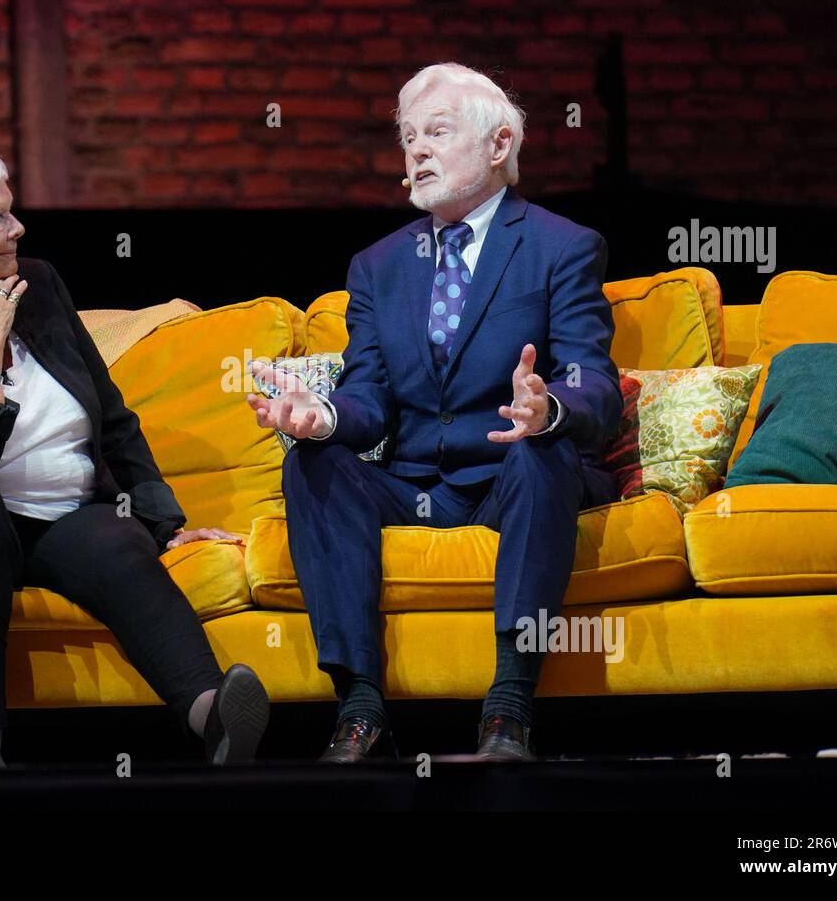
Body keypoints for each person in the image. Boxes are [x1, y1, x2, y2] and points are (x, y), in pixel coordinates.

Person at [0, 135, 269, 771]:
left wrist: (163, 524)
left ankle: (211, 714)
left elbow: (111, 415)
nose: (19, 227)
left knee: (114, 536)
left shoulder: (37, 284)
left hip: (53, 521)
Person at [247, 63, 622, 762]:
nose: (416, 150)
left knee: (543, 452)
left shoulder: (560, 248)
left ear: (499, 145)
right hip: (420, 482)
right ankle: (360, 708)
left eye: (438, 133)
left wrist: (549, 409)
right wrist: (321, 417)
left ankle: (508, 706)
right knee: (312, 463)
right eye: (409, 137)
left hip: (517, 477)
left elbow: (595, 387)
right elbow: (369, 403)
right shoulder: (378, 266)